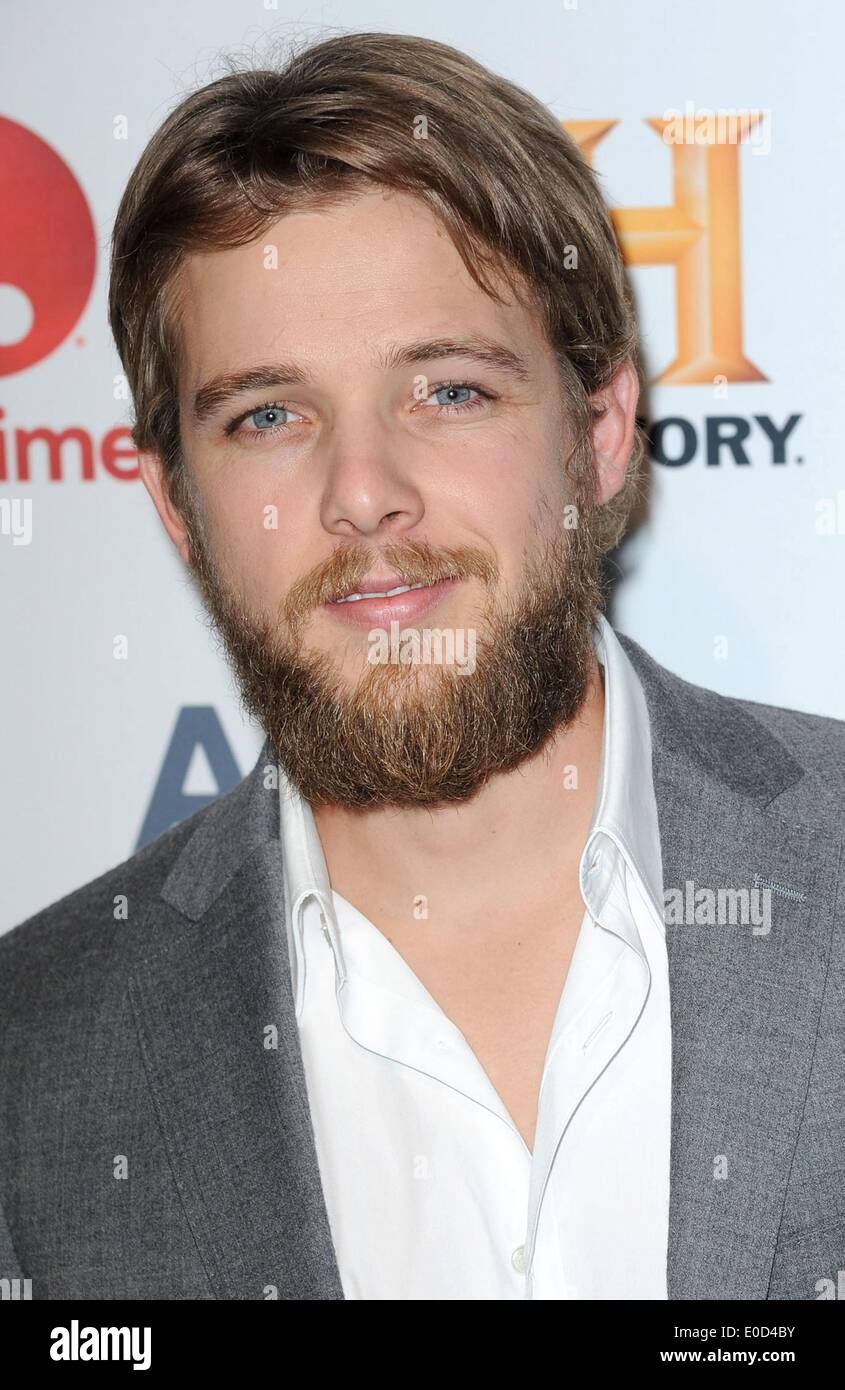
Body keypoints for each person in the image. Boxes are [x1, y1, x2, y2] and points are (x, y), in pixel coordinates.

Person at [1, 30, 842, 1302]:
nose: (363, 496)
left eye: (445, 391)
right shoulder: (34, 1064)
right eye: (268, 415)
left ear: (598, 433)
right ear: (176, 502)